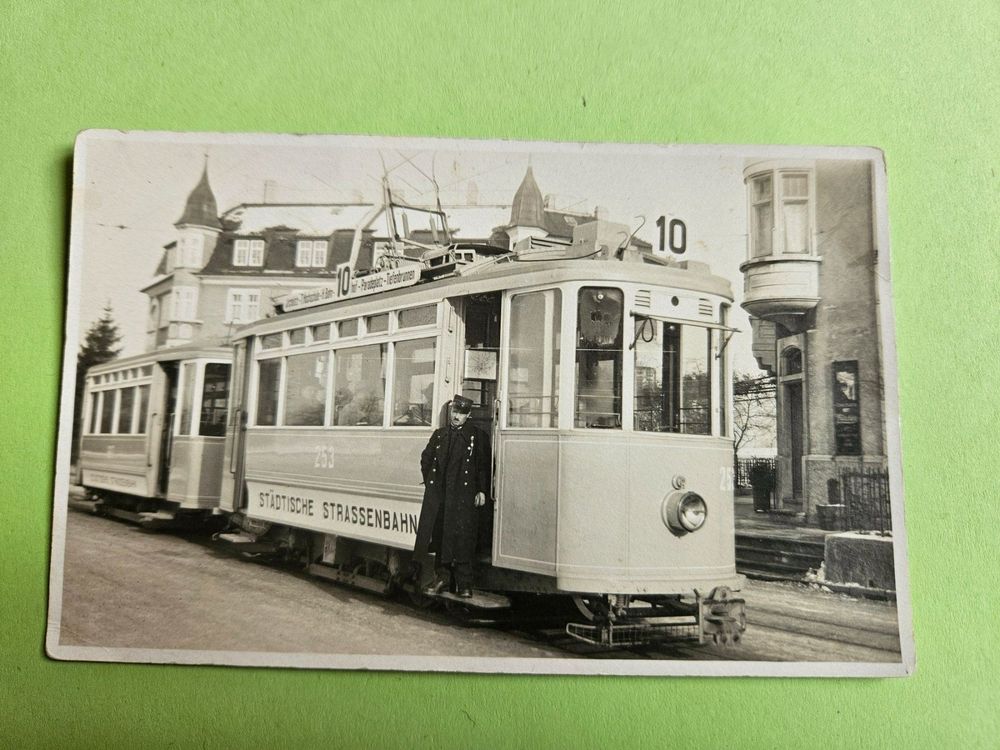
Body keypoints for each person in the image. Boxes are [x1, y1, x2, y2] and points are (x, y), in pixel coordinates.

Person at [412, 394, 491, 598]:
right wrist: (432, 484)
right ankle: (442, 579)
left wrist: (482, 490)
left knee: (464, 538)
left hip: (465, 496)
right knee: (442, 536)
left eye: (461, 413)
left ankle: (465, 583)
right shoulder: (440, 435)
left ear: (468, 415)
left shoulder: (477, 437)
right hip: (443, 496)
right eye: (455, 412)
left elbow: (483, 466)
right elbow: (426, 459)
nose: (457, 416)